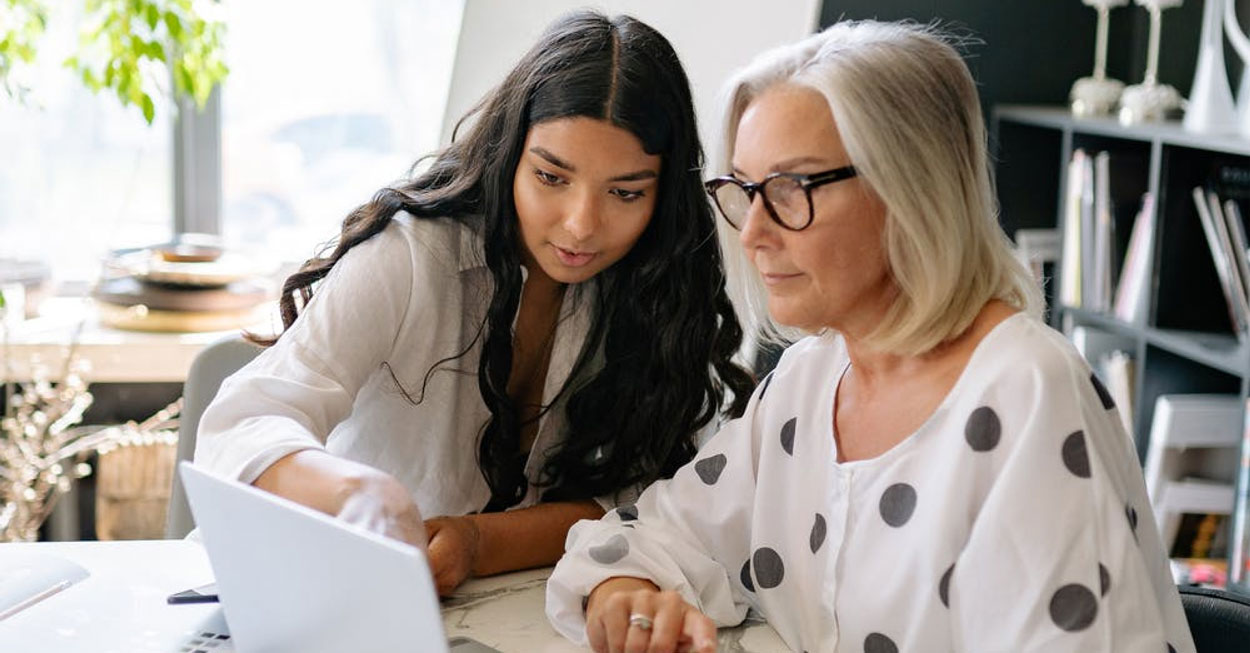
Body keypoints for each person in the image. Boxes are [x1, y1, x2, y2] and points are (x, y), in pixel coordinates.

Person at [546, 20, 1195, 653]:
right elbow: (650, 536)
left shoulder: (1026, 392)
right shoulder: (805, 382)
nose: (753, 234)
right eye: (744, 189)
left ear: (910, 189)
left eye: (789, 188)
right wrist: (628, 597)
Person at [193, 10, 754, 597]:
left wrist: (478, 542)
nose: (581, 225)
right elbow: (243, 422)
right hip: (316, 594)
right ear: (511, 153)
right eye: (551, 177)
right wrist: (357, 492)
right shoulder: (410, 257)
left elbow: (646, 502)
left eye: (625, 192)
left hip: (502, 613)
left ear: (664, 195)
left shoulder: (654, 293)